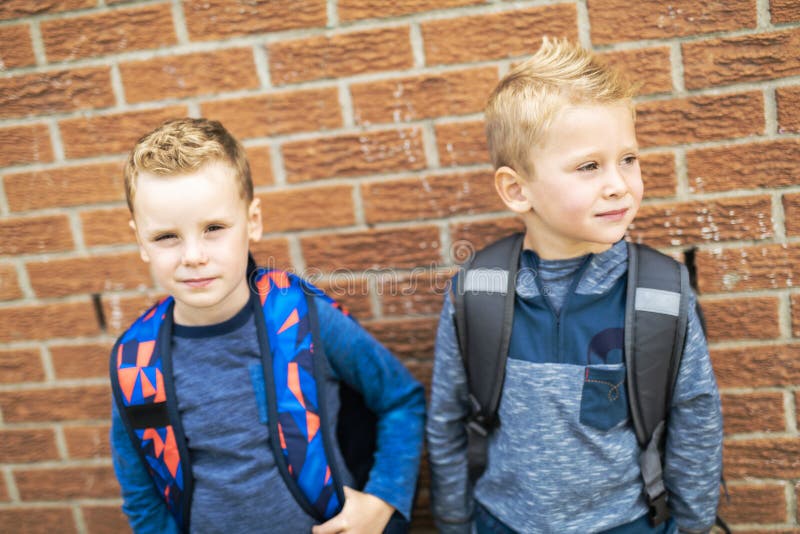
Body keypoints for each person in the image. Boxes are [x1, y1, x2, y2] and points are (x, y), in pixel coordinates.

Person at [426, 39, 723, 533]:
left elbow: (696, 419)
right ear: (517, 189)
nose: (618, 184)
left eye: (628, 158)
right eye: (590, 166)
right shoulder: (476, 293)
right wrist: (454, 522)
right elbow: (448, 419)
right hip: (503, 522)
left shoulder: (660, 295)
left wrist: (693, 525)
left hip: (628, 522)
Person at [109, 118, 426, 534]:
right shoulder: (136, 362)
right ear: (139, 241)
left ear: (253, 221)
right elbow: (141, 495)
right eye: (167, 236)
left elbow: (400, 400)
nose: (193, 255)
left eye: (214, 229)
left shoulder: (300, 317)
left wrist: (384, 500)